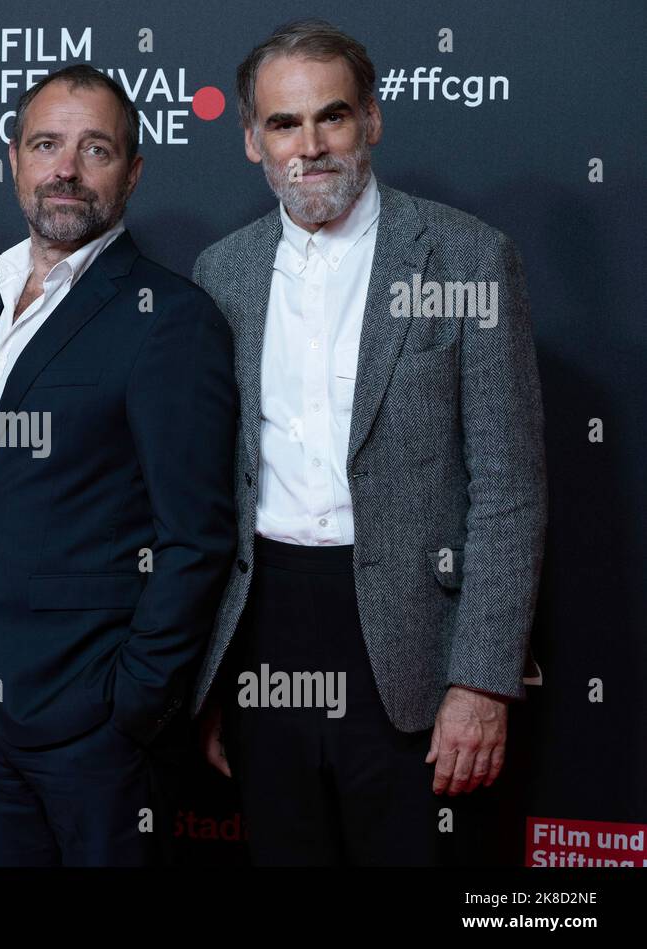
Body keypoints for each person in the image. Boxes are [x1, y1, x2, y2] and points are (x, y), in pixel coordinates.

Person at [189, 19, 547, 865]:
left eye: (332, 117)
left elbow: (509, 486)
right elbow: (216, 488)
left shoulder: (465, 261)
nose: (309, 147)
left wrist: (483, 681)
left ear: (373, 120)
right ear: (251, 140)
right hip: (265, 626)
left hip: (413, 640)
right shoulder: (221, 274)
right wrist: (208, 679)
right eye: (283, 124)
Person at [0, 64, 238, 866]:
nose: (66, 169)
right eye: (46, 144)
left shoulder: (169, 319)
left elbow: (198, 536)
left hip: (96, 731)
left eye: (96, 148)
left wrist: (135, 702)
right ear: (14, 160)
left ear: (134, 171)